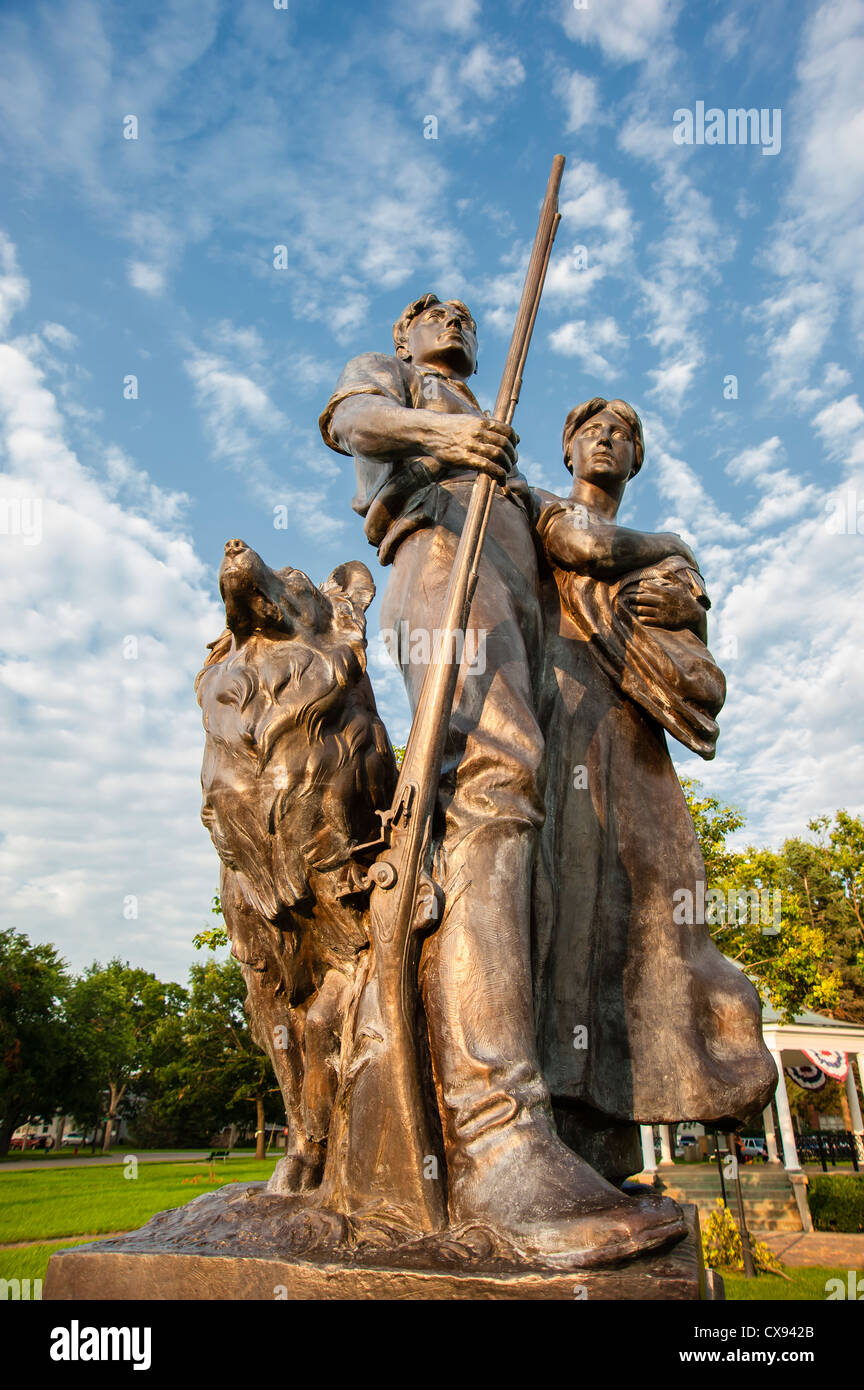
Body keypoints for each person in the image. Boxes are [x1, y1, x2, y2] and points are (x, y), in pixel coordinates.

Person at [319, 300, 684, 1265]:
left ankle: (542, 1127)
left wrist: (673, 560)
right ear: (404, 338)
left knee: (517, 807)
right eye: (429, 312)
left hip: (512, 611)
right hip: (443, 571)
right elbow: (348, 423)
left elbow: (583, 543)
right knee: (490, 784)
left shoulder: (510, 452)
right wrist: (449, 434)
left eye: (464, 314)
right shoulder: (406, 387)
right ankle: (495, 1137)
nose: (450, 320)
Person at [531, 397, 777, 1181]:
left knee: (644, 920)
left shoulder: (668, 568)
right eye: (593, 430)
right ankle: (537, 1115)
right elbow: (579, 544)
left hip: (628, 743)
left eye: (625, 436)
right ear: (567, 445)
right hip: (544, 724)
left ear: (636, 460)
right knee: (546, 915)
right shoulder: (534, 509)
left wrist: (689, 606)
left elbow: (694, 655)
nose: (607, 440)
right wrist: (673, 545)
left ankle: (611, 1118)